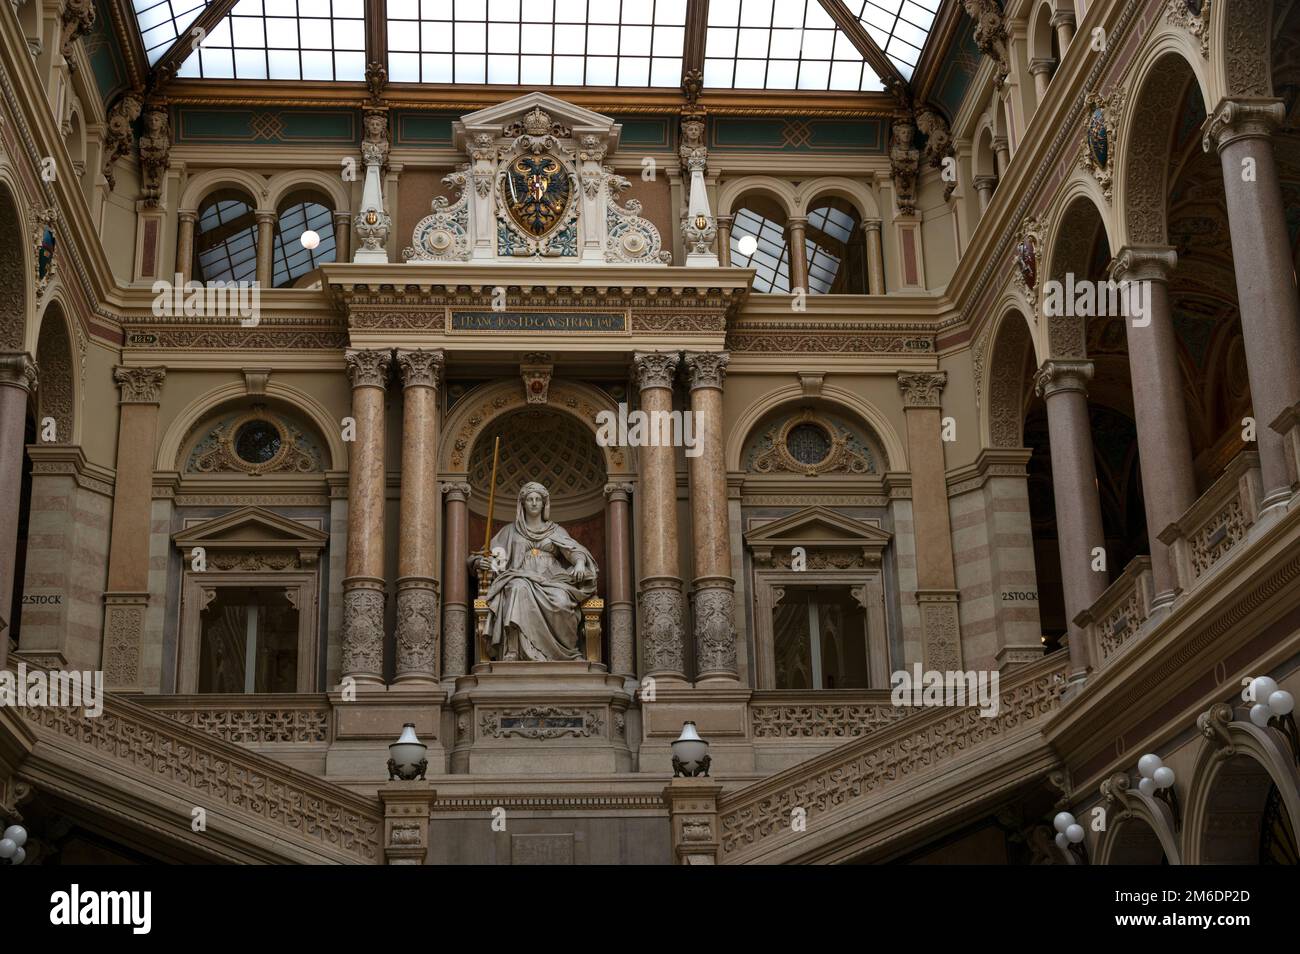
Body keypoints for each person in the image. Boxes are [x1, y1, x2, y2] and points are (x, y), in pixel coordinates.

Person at [473, 481, 597, 661]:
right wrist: (481, 562)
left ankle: (564, 654)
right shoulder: (510, 531)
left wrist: (579, 563)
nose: (533, 503)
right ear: (522, 503)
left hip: (552, 580)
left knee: (561, 601)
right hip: (520, 576)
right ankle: (514, 650)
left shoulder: (556, 530)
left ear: (544, 503)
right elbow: (489, 555)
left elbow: (575, 551)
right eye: (529, 499)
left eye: (538, 499)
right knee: (517, 588)